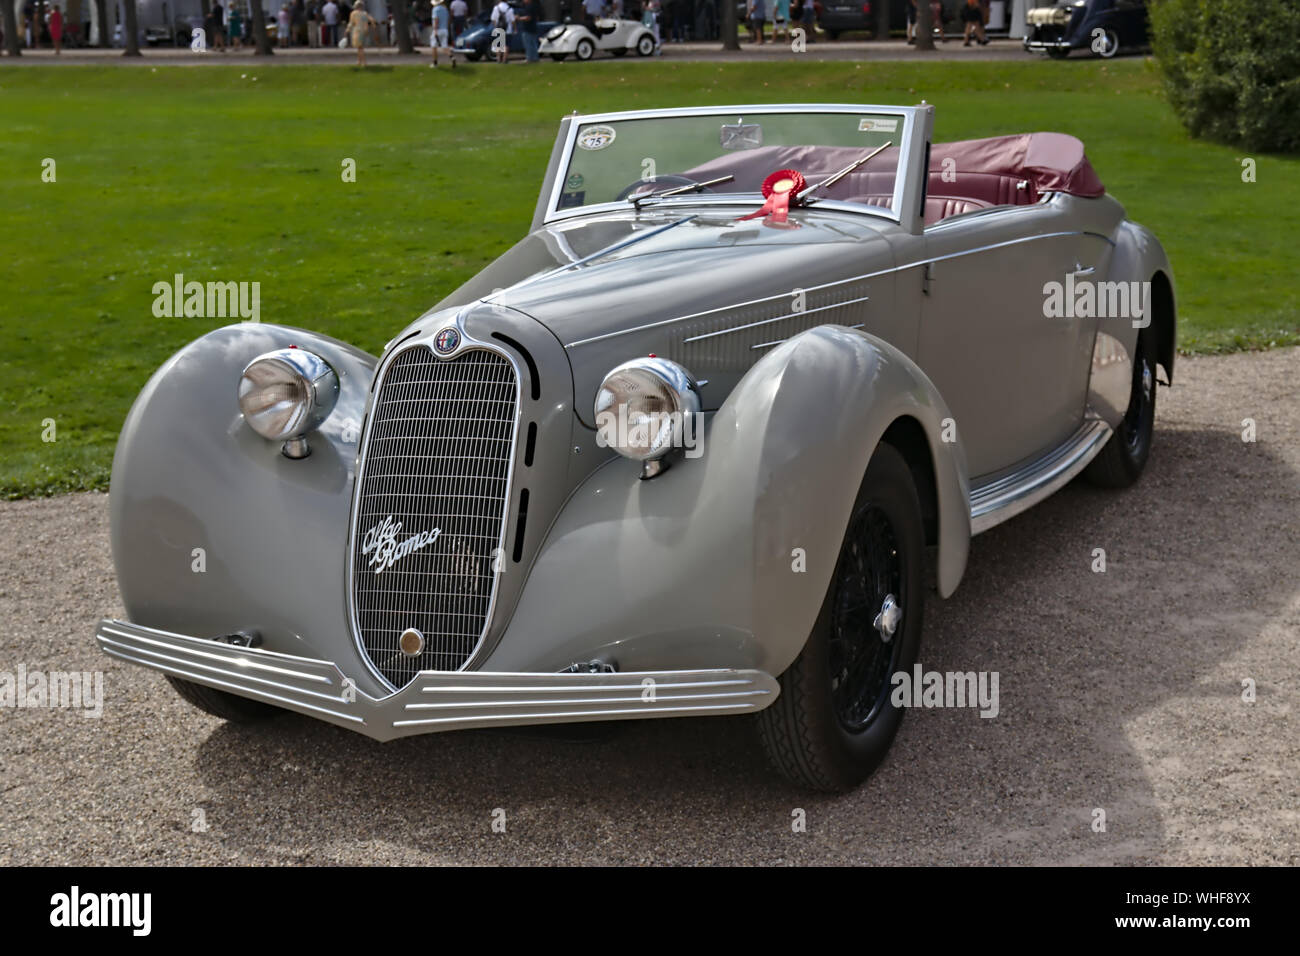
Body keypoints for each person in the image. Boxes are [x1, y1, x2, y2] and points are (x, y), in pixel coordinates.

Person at [430, 0, 454, 65]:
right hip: (445, 29)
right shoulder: (445, 9)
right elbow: (448, 20)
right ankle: (452, 57)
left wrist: (435, 30)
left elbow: (436, 20)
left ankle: (435, 62)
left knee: (434, 46)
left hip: (438, 30)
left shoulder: (435, 9)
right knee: (445, 47)